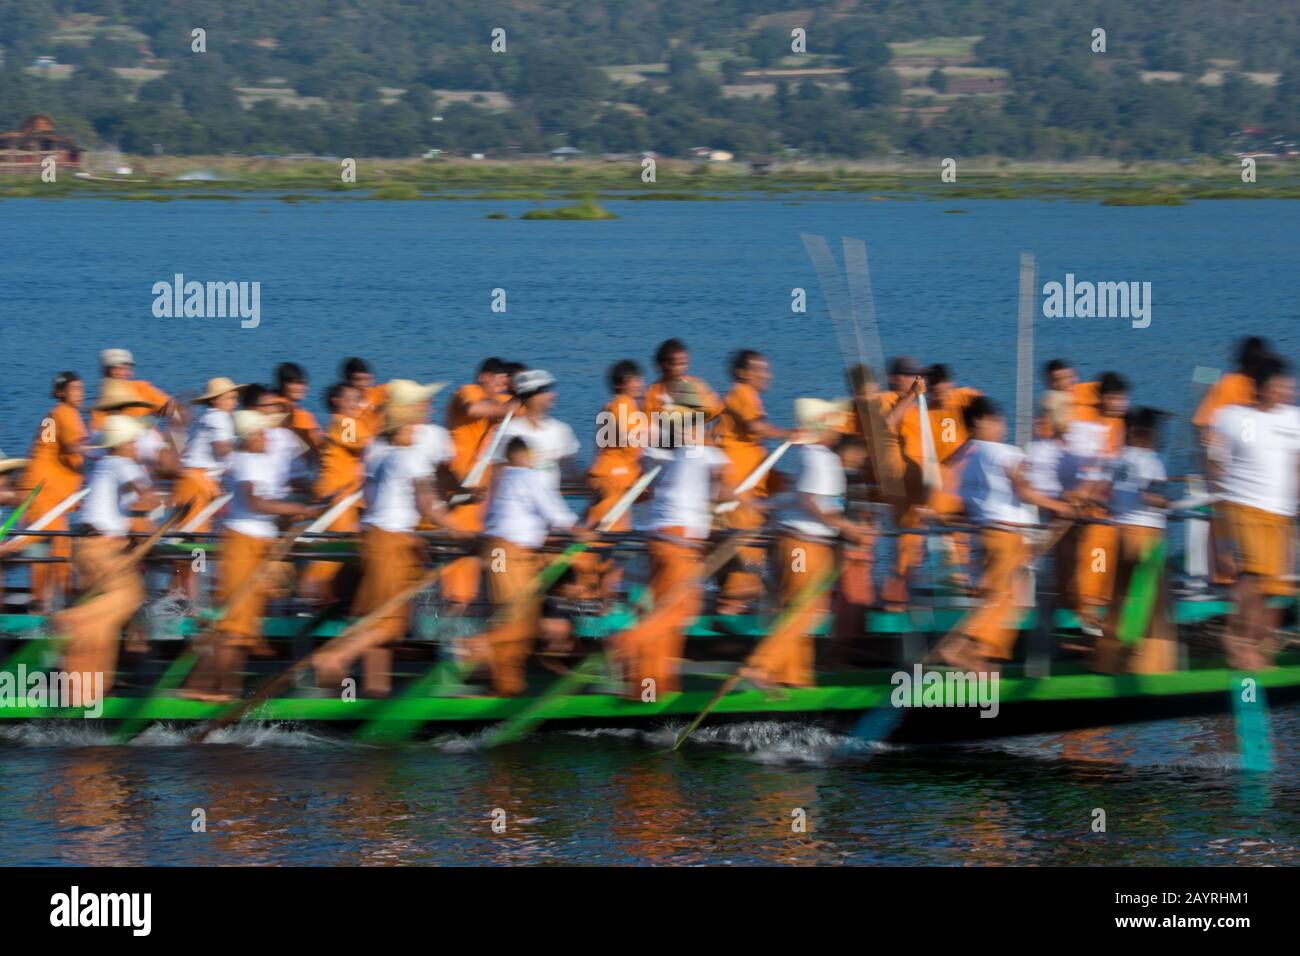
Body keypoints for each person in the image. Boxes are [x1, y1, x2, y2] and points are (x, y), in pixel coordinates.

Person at [314, 385, 465, 695]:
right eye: (413, 425)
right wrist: (461, 532)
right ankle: (334, 657)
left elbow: (371, 497)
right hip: (392, 544)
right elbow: (428, 506)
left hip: (371, 539)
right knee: (391, 623)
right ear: (404, 426)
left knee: (376, 619)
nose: (416, 430)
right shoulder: (410, 458)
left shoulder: (378, 454)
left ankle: (375, 689)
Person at [183, 409, 320, 701]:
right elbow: (255, 502)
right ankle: (202, 686)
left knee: (244, 626)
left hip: (258, 547)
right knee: (234, 624)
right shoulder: (246, 461)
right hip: (241, 546)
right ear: (251, 437)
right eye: (262, 433)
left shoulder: (259, 459)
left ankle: (228, 690)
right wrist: (300, 510)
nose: (268, 436)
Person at [938, 397, 1074, 671]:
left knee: (1002, 597)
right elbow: (1023, 490)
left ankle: (979, 655)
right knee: (1001, 598)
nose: (1002, 426)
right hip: (1008, 535)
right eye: (998, 420)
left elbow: (962, 505)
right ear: (981, 421)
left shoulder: (968, 457)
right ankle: (959, 647)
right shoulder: (1004, 452)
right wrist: (1060, 506)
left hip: (984, 533)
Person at [614, 381, 731, 695]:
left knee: (662, 616)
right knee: (681, 612)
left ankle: (649, 687)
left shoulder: (668, 451)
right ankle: (626, 641)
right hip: (680, 543)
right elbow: (726, 491)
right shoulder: (707, 454)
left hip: (658, 538)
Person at [745, 399, 870, 688]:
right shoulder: (820, 458)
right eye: (834, 423)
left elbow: (797, 497)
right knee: (803, 613)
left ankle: (793, 675)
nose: (839, 428)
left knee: (800, 610)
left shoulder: (814, 455)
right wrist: (845, 526)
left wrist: (766, 505)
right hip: (805, 545)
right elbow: (809, 500)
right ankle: (762, 666)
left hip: (802, 543)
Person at [53, 415, 160, 692]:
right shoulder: (121, 463)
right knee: (129, 597)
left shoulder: (106, 466)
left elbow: (124, 511)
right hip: (100, 548)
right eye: (134, 441)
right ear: (123, 444)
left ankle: (87, 686)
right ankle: (70, 620)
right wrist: (161, 500)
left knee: (106, 624)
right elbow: (146, 498)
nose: (137, 446)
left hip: (91, 547)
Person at [1208, 353, 1300, 670]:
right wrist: (1221, 494)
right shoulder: (1234, 417)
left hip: (1281, 513)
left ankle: (1258, 650)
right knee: (1254, 576)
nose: (1285, 392)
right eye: (1278, 387)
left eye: (1288, 387)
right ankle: (1238, 640)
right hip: (1245, 506)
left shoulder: (1293, 419)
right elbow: (1214, 459)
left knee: (1274, 588)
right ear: (1260, 388)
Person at [476, 435, 585, 696]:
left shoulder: (501, 480)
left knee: (514, 615)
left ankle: (506, 683)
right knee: (517, 620)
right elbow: (554, 512)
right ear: (525, 456)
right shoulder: (527, 476)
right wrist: (580, 531)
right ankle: (474, 648)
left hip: (500, 551)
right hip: (510, 555)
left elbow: (488, 517)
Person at [1093, 407, 1176, 673]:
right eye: (1155, 433)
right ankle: (1150, 667)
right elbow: (1149, 496)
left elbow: (1101, 495)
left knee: (1118, 601)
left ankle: (1108, 662)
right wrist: (1166, 502)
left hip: (1118, 534)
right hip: (1147, 538)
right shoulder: (1152, 460)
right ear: (1144, 434)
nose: (1158, 438)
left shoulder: (1117, 459)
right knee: (1154, 606)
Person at [715, 350, 790, 613]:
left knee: (752, 557)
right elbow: (758, 428)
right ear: (742, 373)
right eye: (759, 370)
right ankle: (731, 611)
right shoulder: (742, 393)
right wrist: (792, 434)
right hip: (740, 494)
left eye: (766, 370)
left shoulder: (750, 397)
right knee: (746, 556)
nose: (766, 375)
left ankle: (742, 602)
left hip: (748, 493)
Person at [441, 357, 516, 610]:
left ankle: (473, 604)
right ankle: (450, 607)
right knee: (459, 545)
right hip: (458, 484)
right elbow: (474, 410)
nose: (500, 390)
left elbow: (524, 410)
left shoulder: (502, 401)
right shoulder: (467, 391)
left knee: (478, 549)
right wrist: (508, 406)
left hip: (480, 491)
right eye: (497, 383)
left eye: (505, 386)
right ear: (484, 377)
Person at [18, 371, 87, 610]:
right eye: (75, 389)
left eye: (82, 388)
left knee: (58, 553)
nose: (81, 393)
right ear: (61, 392)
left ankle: (58, 606)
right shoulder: (64, 413)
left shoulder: (62, 414)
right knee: (47, 557)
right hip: (43, 495)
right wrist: (106, 448)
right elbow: (74, 447)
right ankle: (41, 610)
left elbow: (70, 456)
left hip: (46, 494)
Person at [302, 382, 367, 601]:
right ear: (336, 401)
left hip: (344, 495)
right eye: (349, 399)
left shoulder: (346, 422)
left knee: (338, 549)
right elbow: (358, 444)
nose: (355, 404)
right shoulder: (344, 422)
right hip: (338, 494)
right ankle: (311, 596)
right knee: (334, 550)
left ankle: (323, 596)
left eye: (357, 399)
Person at [643, 338, 724, 427]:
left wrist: (712, 434)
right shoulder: (652, 393)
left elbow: (719, 412)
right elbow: (648, 427)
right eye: (678, 364)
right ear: (664, 365)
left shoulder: (697, 387)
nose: (683, 368)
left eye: (685, 364)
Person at [89, 348, 172, 431]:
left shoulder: (141, 388)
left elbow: (171, 409)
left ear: (130, 372)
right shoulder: (100, 406)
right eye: (116, 369)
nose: (121, 373)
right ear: (105, 373)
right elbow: (98, 432)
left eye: (125, 368)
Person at [276, 362, 323, 455]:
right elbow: (317, 446)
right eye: (296, 383)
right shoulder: (300, 415)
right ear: (284, 384)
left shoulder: (272, 403)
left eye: (304, 383)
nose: (302, 388)